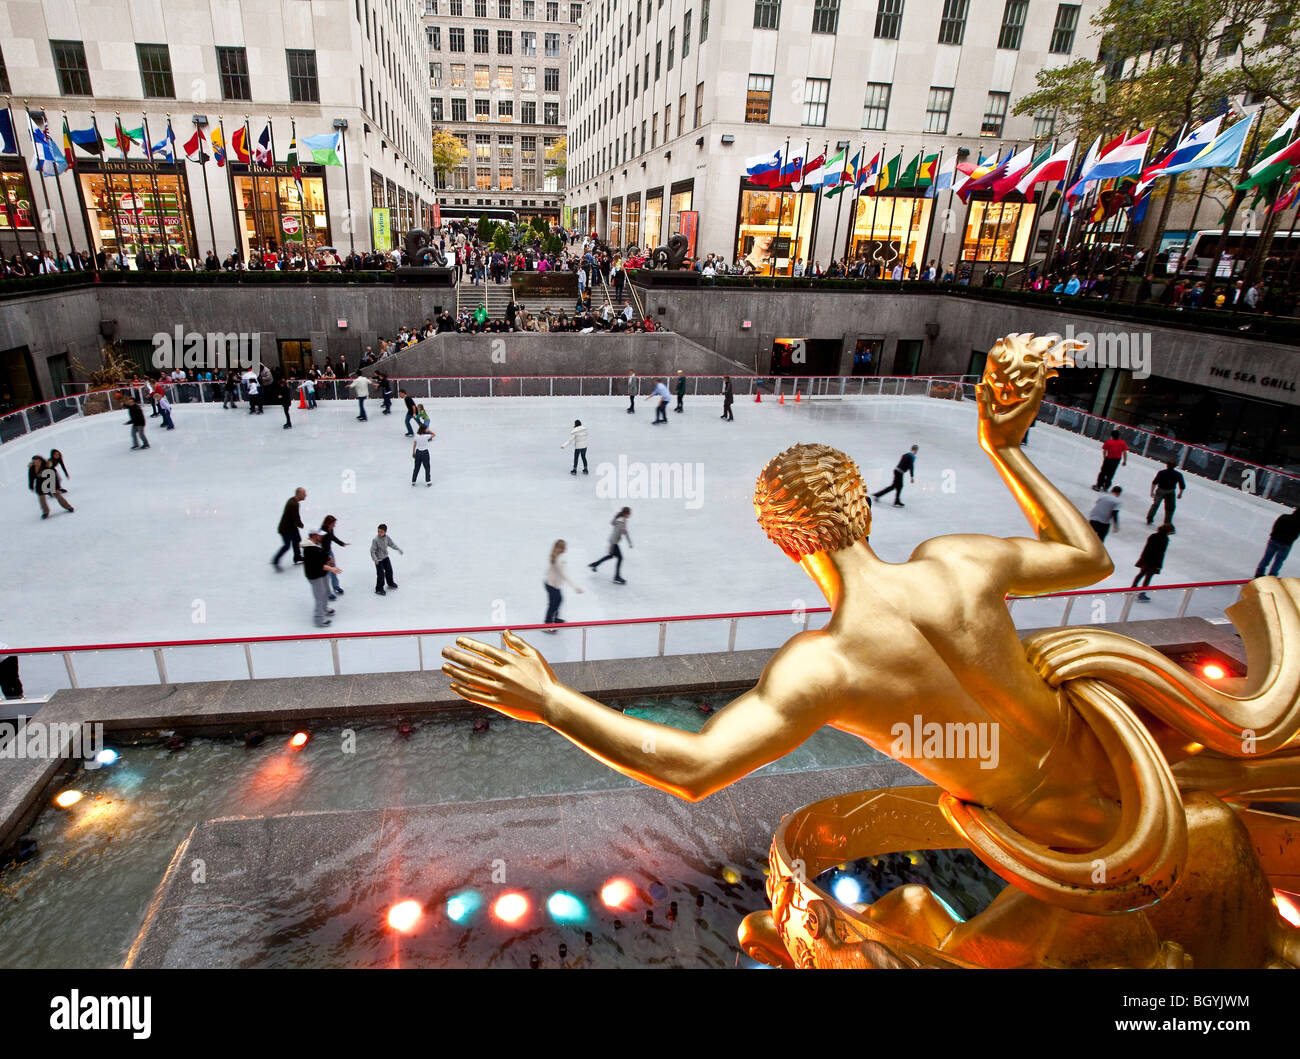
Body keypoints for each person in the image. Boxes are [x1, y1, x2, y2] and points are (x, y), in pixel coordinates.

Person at [544, 539, 584, 629]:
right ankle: (547, 623)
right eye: (564, 547)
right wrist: (575, 587)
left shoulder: (557, 556)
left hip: (554, 584)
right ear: (561, 549)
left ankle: (556, 618)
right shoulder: (558, 560)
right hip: (551, 585)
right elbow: (564, 575)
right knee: (553, 604)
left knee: (559, 600)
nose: (566, 548)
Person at [302, 531, 339, 628]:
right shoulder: (309, 550)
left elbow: (321, 554)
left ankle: (324, 608)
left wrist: (328, 557)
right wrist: (332, 569)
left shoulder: (316, 544)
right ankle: (319, 619)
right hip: (315, 576)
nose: (322, 537)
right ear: (314, 536)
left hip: (322, 574)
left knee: (326, 592)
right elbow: (318, 565)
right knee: (320, 596)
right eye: (320, 535)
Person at [589, 507, 632, 584]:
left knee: (611, 556)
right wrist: (614, 544)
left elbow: (619, 528)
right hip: (614, 542)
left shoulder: (623, 520)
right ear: (626, 514)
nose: (630, 515)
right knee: (620, 558)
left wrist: (629, 542)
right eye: (629, 513)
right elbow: (617, 533)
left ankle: (595, 564)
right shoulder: (621, 522)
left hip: (613, 542)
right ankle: (617, 576)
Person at [1254, 507, 1300, 578]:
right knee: (1279, 561)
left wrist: (1273, 535)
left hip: (1274, 539)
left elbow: (1275, 526)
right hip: (1285, 544)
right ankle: (1272, 575)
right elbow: (1295, 535)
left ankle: (1259, 572)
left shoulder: (1284, 516)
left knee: (1267, 557)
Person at [1133, 524, 1173, 602]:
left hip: (1146, 559)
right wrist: (1159, 565)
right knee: (1148, 577)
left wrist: (1142, 558)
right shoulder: (1164, 539)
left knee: (1141, 574)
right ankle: (1142, 594)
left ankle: (1132, 588)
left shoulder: (1153, 536)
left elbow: (1146, 548)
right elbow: (1161, 553)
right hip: (1153, 562)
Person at [28, 454, 73, 519]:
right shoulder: (32, 469)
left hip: (49, 482)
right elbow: (31, 478)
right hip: (39, 484)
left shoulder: (46, 466)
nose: (36, 463)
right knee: (41, 499)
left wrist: (57, 486)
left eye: (37, 461)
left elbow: (54, 476)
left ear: (41, 461)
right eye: (34, 461)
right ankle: (45, 512)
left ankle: (68, 507)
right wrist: (31, 486)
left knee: (57, 495)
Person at [273, 487, 307, 569]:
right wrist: (300, 524)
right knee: (287, 545)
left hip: (291, 527)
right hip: (285, 529)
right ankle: (275, 560)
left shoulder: (292, 500)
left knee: (297, 540)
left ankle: (297, 557)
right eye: (304, 494)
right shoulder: (294, 504)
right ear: (298, 494)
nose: (306, 495)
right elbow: (296, 517)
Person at [1146, 460, 1186, 530]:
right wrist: (1180, 493)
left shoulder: (1162, 472)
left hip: (1161, 490)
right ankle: (1167, 522)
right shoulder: (1178, 474)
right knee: (1170, 508)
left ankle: (1150, 518)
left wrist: (1152, 492)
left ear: (1166, 465)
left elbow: (1154, 482)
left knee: (1156, 505)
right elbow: (1182, 485)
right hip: (1170, 491)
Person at [320, 515, 348, 599]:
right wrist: (328, 557)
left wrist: (341, 543)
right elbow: (321, 545)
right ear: (328, 523)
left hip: (329, 552)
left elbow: (333, 538)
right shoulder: (322, 532)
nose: (334, 525)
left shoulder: (330, 529)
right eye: (333, 524)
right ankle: (327, 592)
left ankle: (336, 586)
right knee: (327, 572)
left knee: (333, 569)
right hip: (323, 553)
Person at [371, 524, 404, 595]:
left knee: (389, 570)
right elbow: (372, 551)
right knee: (381, 574)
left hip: (385, 557)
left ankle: (390, 583)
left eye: (381, 532)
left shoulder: (387, 538)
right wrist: (375, 560)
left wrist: (398, 549)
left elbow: (391, 544)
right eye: (378, 531)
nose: (379, 533)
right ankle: (379, 589)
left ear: (385, 532)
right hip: (378, 560)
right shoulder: (375, 540)